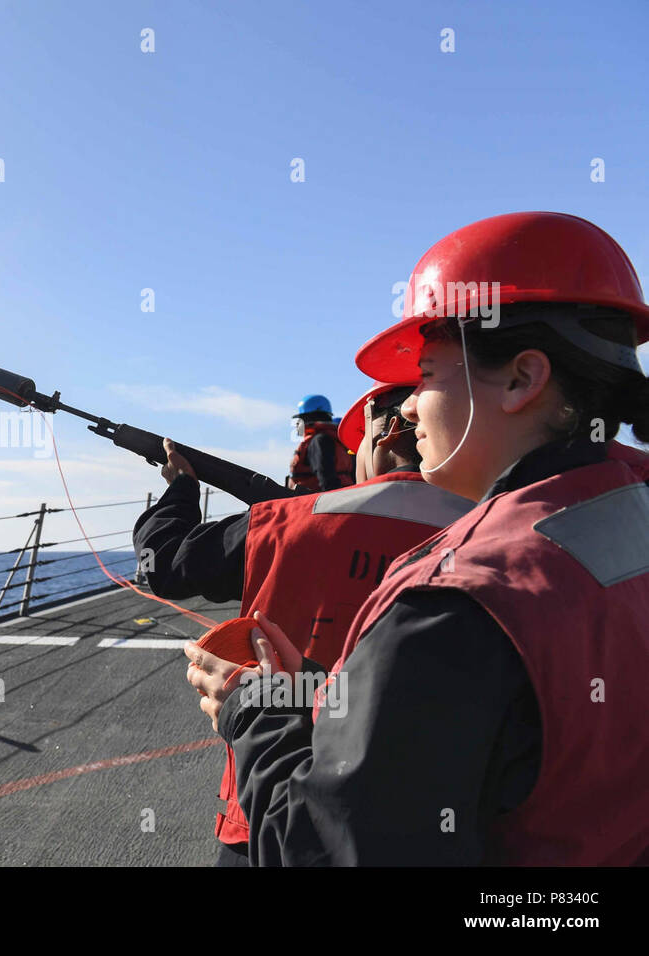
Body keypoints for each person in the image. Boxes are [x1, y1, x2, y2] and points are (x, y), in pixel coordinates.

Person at [186, 211, 649, 865]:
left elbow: (326, 849)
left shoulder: (457, 598)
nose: (405, 407)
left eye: (428, 374)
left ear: (522, 378)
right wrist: (351, 697)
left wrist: (251, 707)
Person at [134, 383, 474, 866]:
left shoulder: (284, 522)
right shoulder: (500, 533)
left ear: (384, 436)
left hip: (273, 812)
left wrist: (182, 489)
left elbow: (163, 563)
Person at [287, 395, 355, 492]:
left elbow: (326, 476)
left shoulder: (319, 440)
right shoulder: (336, 439)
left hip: (318, 501)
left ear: (309, 418)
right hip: (343, 495)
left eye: (301, 419)